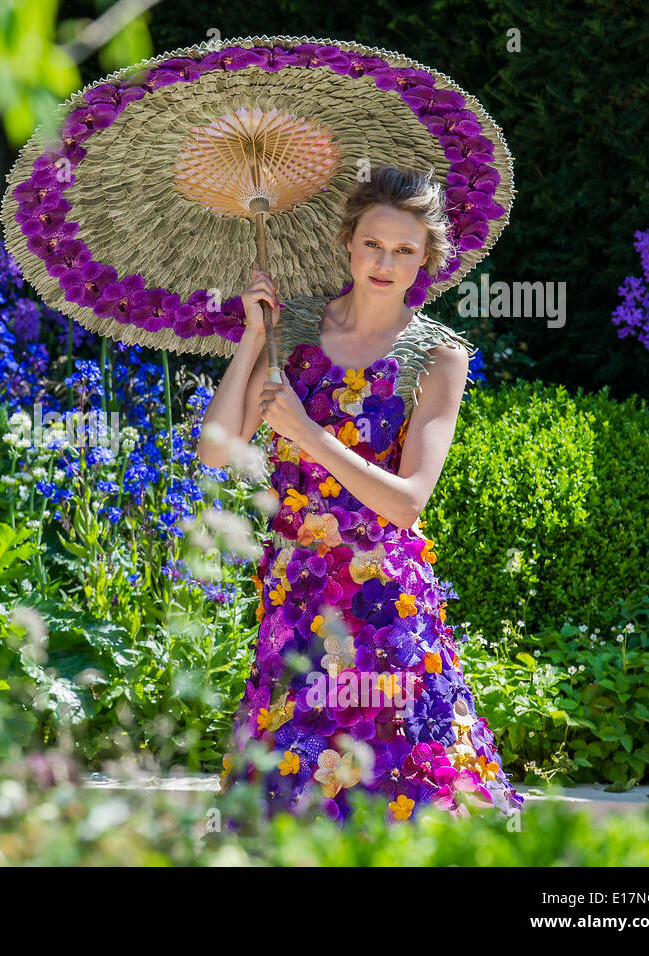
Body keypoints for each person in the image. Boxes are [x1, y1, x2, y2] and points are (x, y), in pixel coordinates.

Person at [197, 165, 524, 826]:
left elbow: (406, 504)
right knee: (291, 777)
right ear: (348, 243)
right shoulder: (295, 333)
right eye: (373, 244)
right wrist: (255, 337)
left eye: (405, 250)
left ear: (427, 259)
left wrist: (306, 431)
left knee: (404, 778)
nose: (385, 262)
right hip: (298, 593)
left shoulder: (438, 356)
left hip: (387, 602)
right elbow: (215, 448)